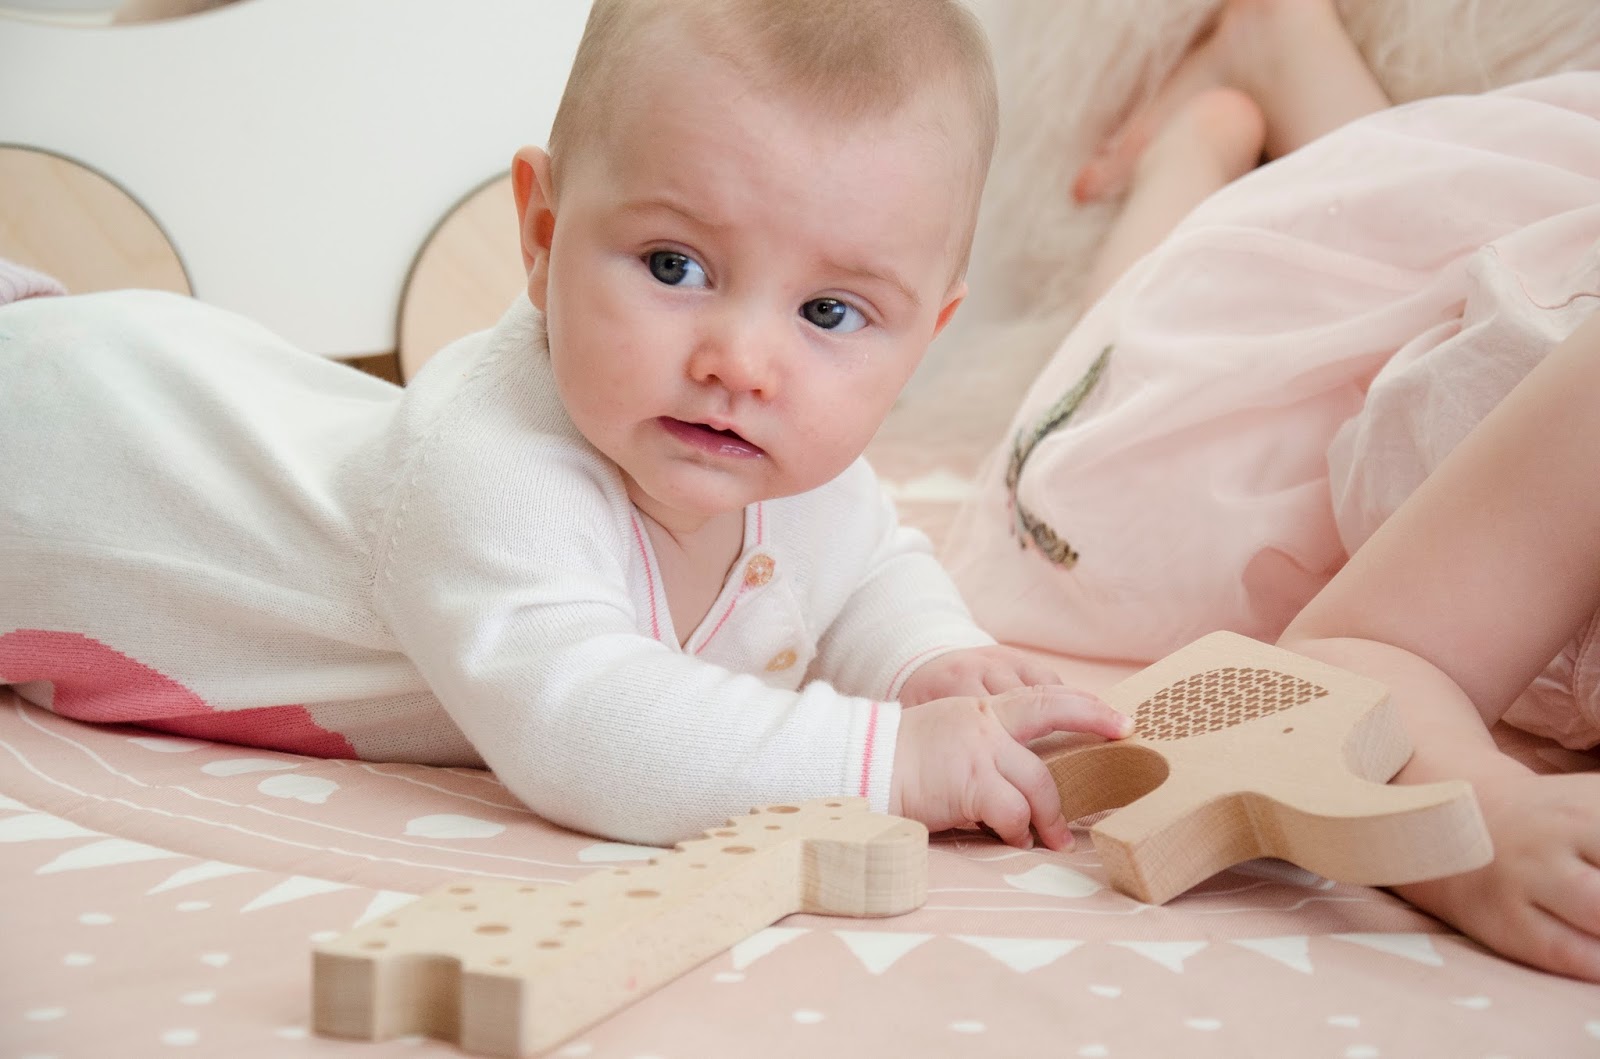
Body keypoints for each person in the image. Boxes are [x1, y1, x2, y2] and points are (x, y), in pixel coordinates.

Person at [0, 0, 1133, 850]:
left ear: (923, 336)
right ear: (542, 236)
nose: (740, 362)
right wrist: (884, 762)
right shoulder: (489, 470)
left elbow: (869, 566)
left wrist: (926, 660)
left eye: (830, 312)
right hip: (67, 443)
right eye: (674, 264)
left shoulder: (798, 469)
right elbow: (591, 728)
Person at [1051, 0, 1600, 983]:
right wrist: (1479, 824)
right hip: (1402, 443)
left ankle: (1286, 53)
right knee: (1118, 402)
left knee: (1425, 229)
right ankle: (1196, 146)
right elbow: (1366, 654)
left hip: (1510, 323)